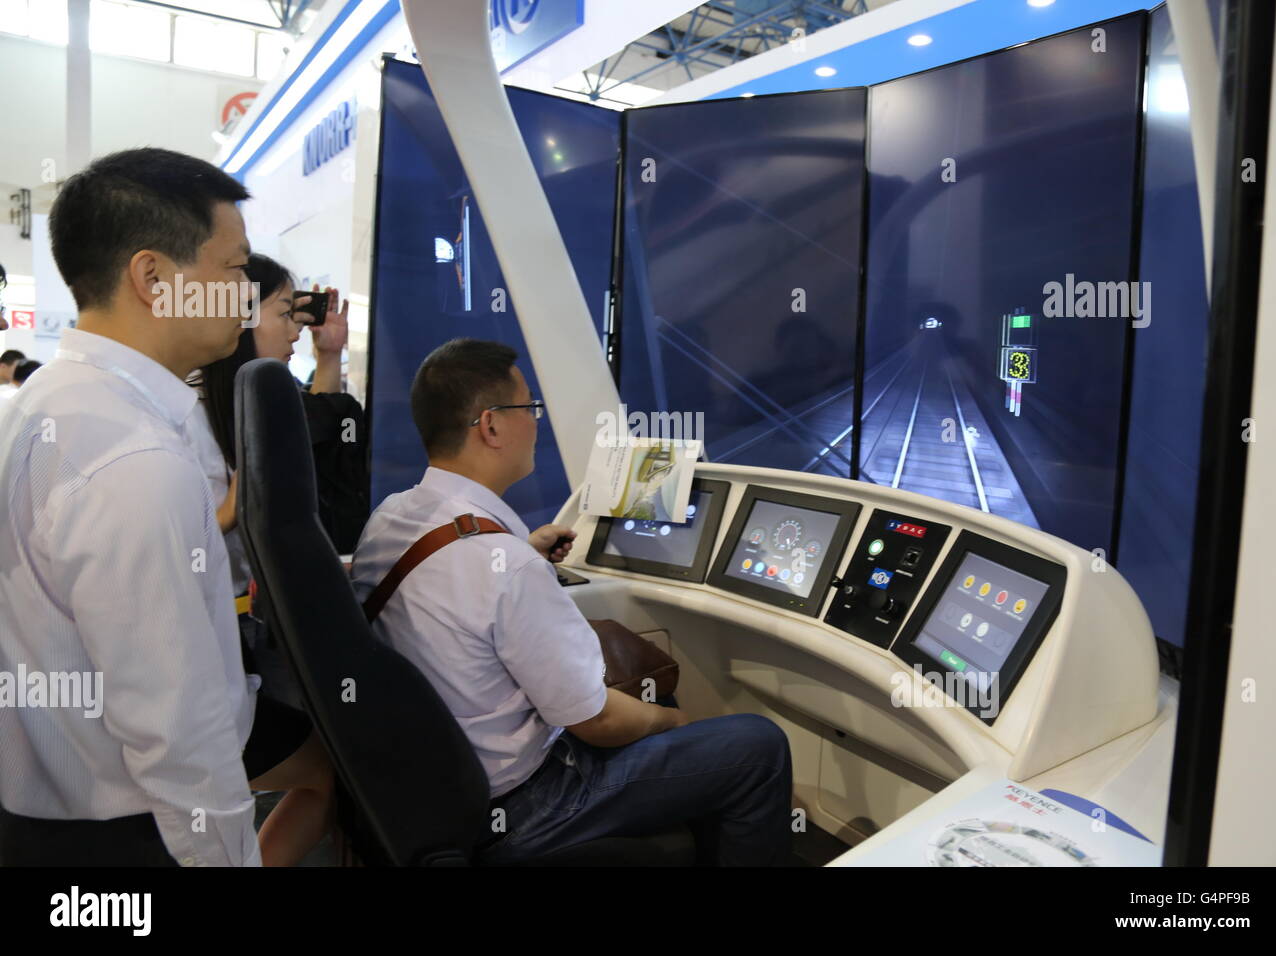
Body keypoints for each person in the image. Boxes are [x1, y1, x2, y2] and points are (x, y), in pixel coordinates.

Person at [0, 147, 331, 867]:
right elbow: (179, 732)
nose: (245, 294)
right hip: (126, 832)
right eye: (235, 268)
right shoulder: (135, 459)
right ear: (154, 277)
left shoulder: (44, 404)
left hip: (45, 798)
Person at [349, 338, 793, 865]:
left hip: (433, 784)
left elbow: (455, 582)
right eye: (529, 407)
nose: (538, 421)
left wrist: (520, 550)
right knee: (757, 746)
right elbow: (597, 722)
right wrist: (673, 724)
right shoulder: (507, 566)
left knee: (657, 706)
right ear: (491, 426)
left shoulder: (392, 517)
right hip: (526, 805)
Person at [189, 252, 364, 712]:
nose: (294, 332)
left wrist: (329, 355)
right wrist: (249, 492)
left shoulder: (242, 405)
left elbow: (319, 434)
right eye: (285, 314)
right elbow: (176, 542)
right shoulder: (191, 416)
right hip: (221, 626)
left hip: (254, 618)